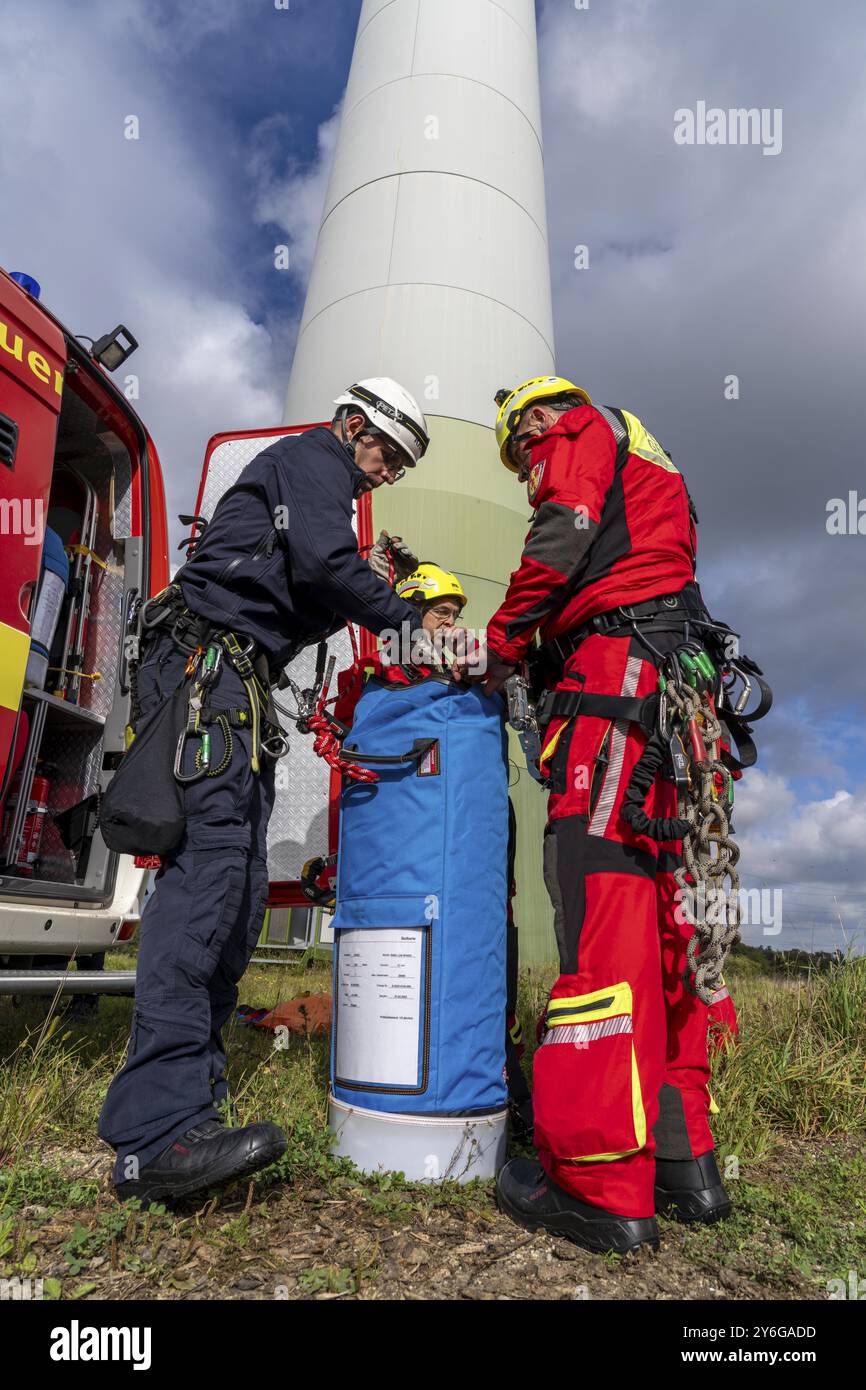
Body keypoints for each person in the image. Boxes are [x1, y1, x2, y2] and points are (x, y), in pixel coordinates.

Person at [99, 378, 432, 1205]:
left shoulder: (320, 485)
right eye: (387, 453)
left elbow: (318, 585)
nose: (387, 473)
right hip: (207, 679)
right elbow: (327, 565)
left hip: (233, 689)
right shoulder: (310, 459)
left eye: (401, 466)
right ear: (353, 425)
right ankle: (153, 1136)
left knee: (241, 895)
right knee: (207, 887)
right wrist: (415, 626)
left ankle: (190, 1110)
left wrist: (381, 595)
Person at [454, 375, 732, 1254]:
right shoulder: (652, 460)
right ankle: (684, 1166)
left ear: (536, 417)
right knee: (670, 922)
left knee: (598, 907)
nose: (526, 471)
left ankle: (598, 1183)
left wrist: (503, 648)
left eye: (519, 455)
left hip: (614, 689)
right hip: (680, 698)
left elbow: (563, 531)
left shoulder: (575, 432)